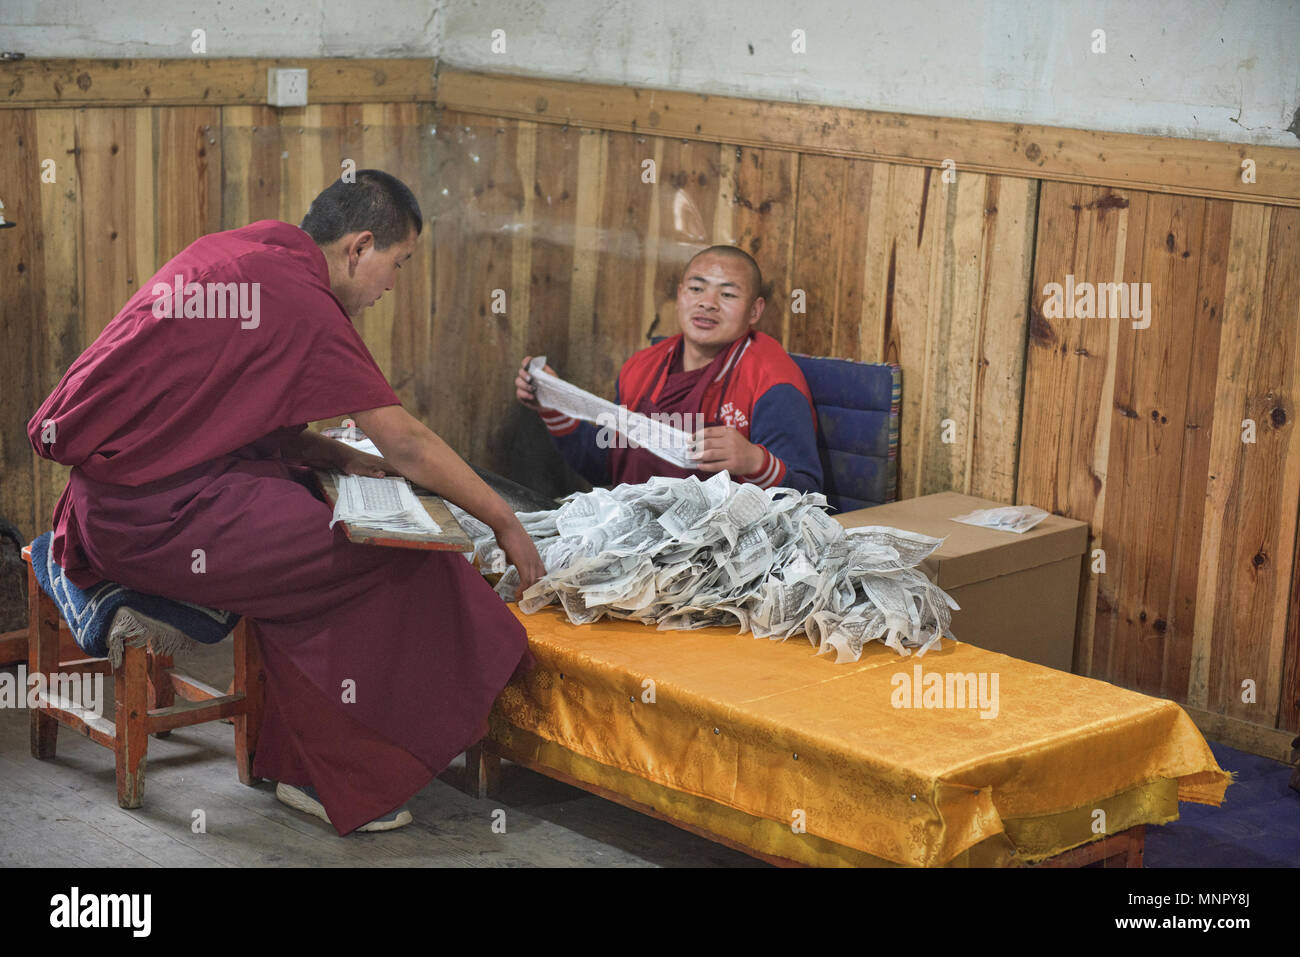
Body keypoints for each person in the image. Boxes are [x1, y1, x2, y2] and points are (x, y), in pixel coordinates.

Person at [28, 170, 544, 835]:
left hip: (116, 499)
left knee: (322, 515)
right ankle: (326, 774)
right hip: (155, 520)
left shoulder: (244, 251)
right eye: (398, 263)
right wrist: (504, 521)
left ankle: (299, 753)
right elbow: (409, 445)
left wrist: (333, 455)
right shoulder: (298, 298)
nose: (393, 286)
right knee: (391, 556)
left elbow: (212, 408)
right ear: (359, 248)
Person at [516, 246, 822, 493]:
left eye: (727, 295)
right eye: (696, 289)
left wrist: (756, 461)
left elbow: (809, 499)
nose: (707, 303)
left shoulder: (772, 380)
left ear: (755, 310)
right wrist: (554, 405)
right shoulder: (642, 367)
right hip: (638, 538)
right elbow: (604, 466)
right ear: (679, 295)